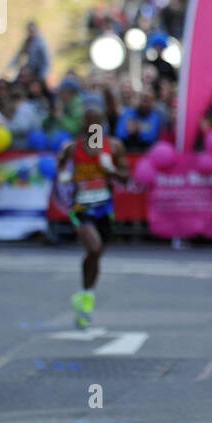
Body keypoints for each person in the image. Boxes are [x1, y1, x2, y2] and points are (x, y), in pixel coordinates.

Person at [56, 105, 129, 328]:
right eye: (89, 121)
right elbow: (59, 168)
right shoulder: (72, 148)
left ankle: (85, 296)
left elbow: (126, 178)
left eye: (97, 121)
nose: (93, 125)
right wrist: (65, 175)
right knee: (94, 248)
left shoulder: (113, 147)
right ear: (84, 124)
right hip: (81, 208)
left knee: (96, 255)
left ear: (103, 123)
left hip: (104, 209)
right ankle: (86, 297)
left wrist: (112, 170)